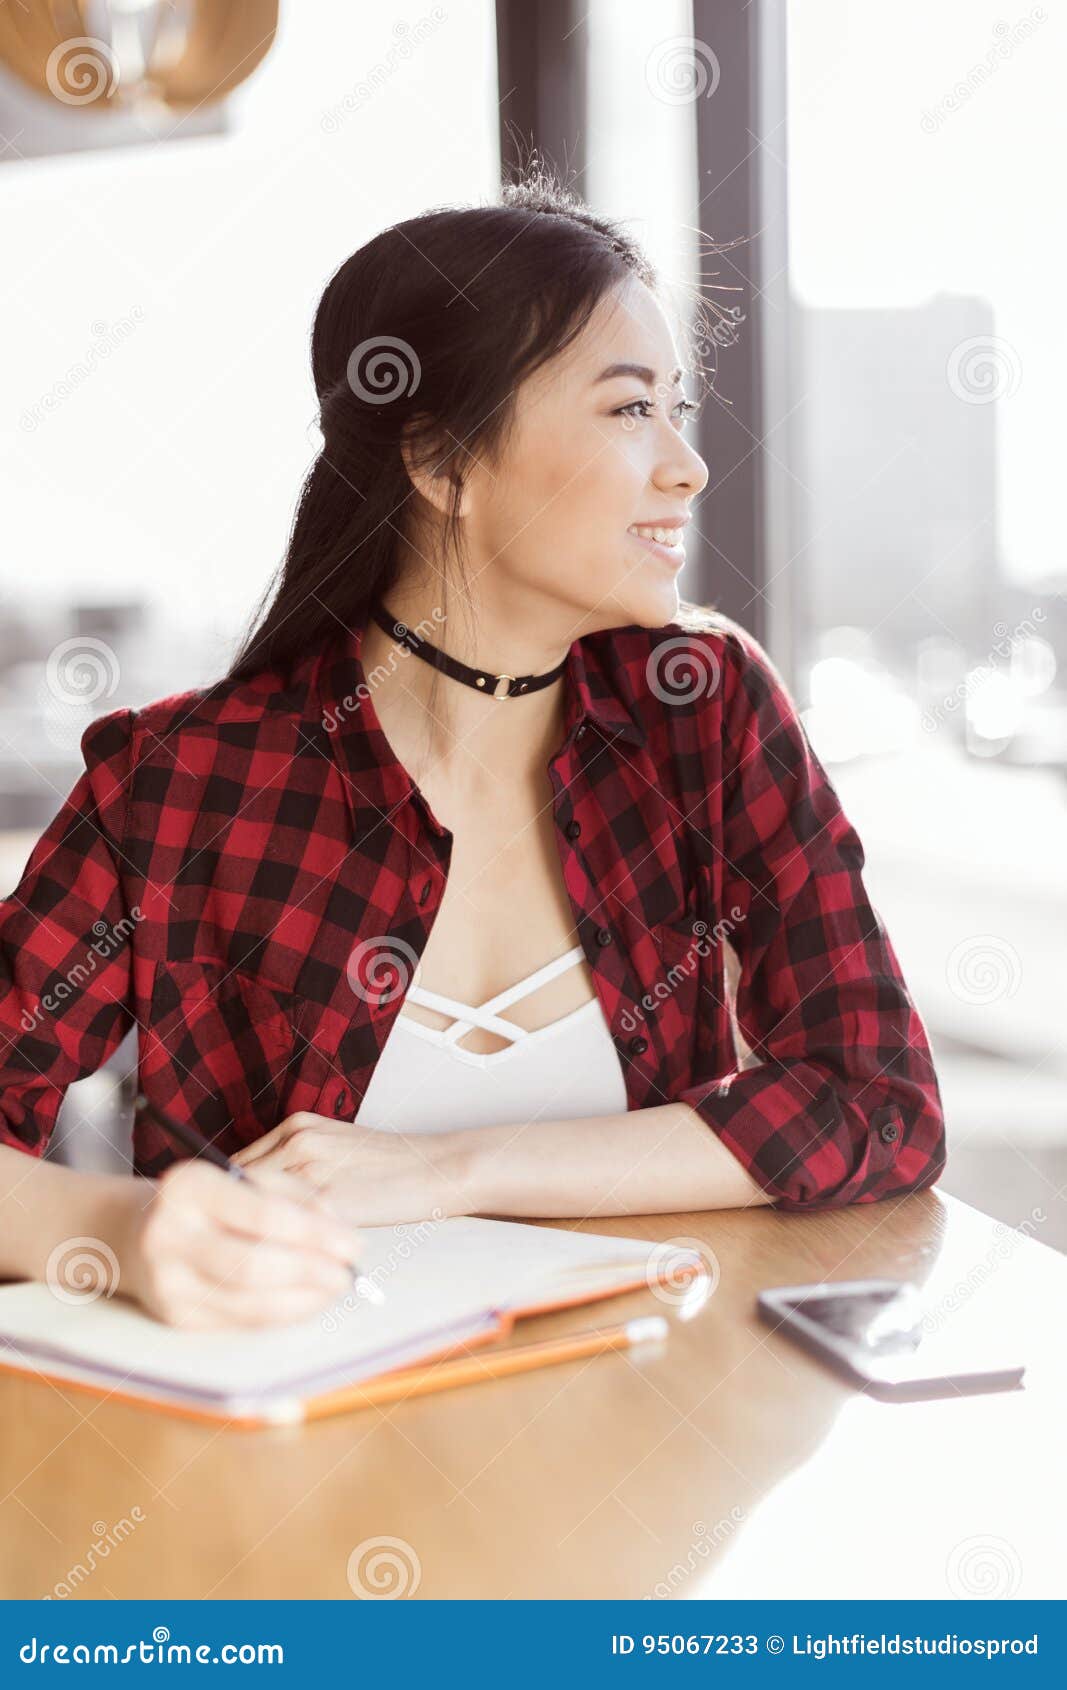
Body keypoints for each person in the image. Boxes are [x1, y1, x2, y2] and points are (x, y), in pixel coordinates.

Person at [0, 174, 946, 1330]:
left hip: (656, 1453)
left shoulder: (702, 713)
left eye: (676, 409)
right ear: (441, 463)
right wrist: (114, 1231)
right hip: (285, 1468)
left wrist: (454, 1167)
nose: (686, 466)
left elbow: (878, 1102)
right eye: (625, 409)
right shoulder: (181, 782)